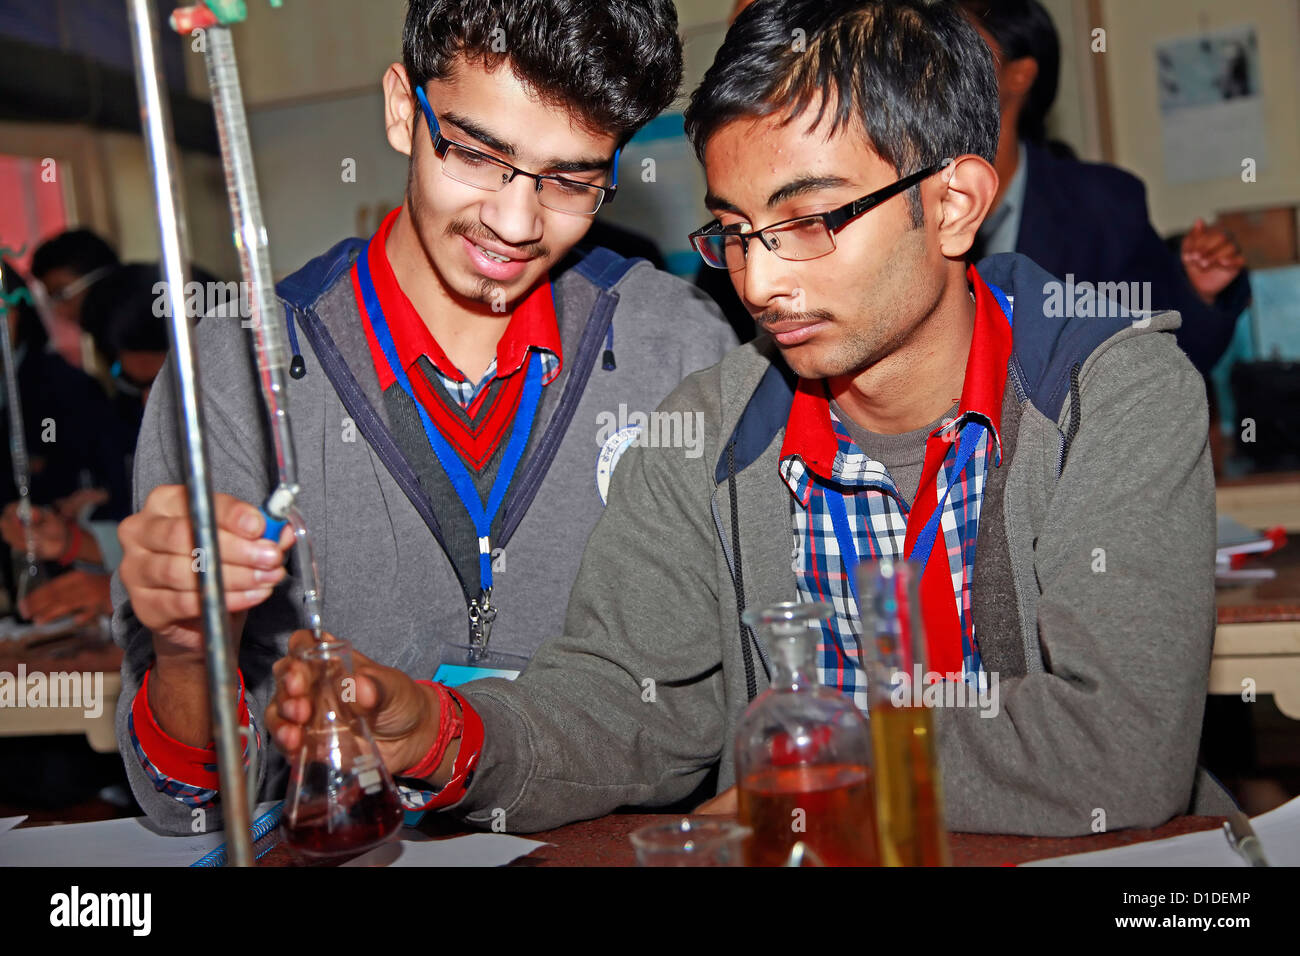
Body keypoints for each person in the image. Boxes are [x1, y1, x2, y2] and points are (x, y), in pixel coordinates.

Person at [265, 0, 1235, 838]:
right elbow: (626, 700)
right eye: (732, 233)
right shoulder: (709, 435)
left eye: (809, 221)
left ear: (953, 203)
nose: (763, 282)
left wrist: (807, 767)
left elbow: (1119, 745)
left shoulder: (1113, 393)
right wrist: (446, 731)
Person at [113, 0, 736, 830]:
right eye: (477, 154)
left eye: (572, 179)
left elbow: (704, 712)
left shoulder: (676, 348)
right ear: (403, 110)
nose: (516, 225)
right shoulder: (232, 373)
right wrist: (189, 656)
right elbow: (189, 806)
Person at [958, 0, 1250, 378]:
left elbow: (1168, 354)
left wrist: (1195, 293)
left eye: (962, 43)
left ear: (1019, 75)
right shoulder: (904, 191)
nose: (935, 60)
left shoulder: (1100, 206)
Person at [29, 228, 120, 374]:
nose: (58, 311)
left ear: (98, 277)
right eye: (51, 300)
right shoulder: (107, 342)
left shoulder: (138, 328)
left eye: (61, 295)